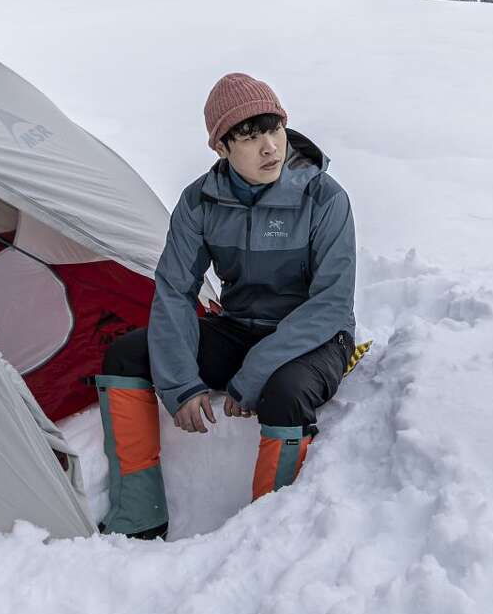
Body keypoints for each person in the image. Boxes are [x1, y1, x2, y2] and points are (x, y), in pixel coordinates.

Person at [95, 73, 356, 538]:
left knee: (284, 392)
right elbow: (175, 290)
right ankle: (137, 517)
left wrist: (255, 371)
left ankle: (267, 535)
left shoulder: (324, 197)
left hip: (315, 337)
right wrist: (180, 385)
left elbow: (331, 303)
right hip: (240, 327)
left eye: (274, 131)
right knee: (126, 355)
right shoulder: (200, 202)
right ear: (221, 148)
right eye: (251, 138)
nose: (270, 148)